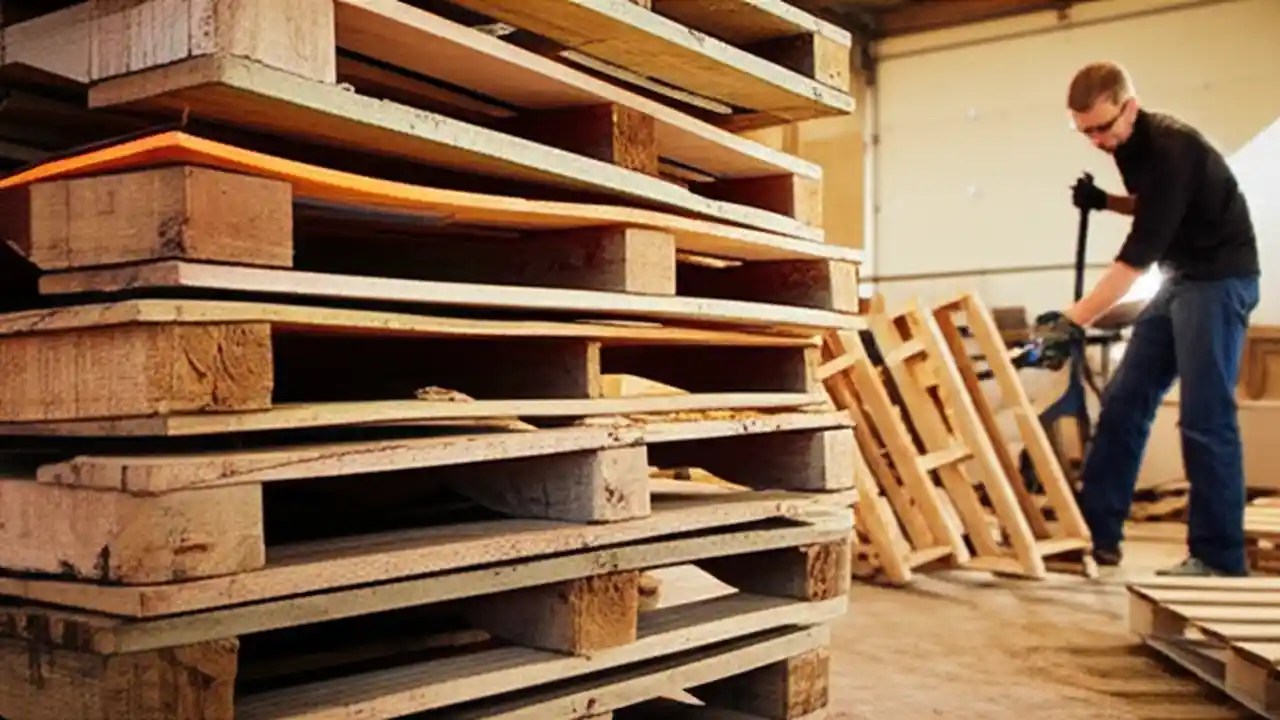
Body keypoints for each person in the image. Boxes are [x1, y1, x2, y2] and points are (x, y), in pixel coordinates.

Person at [1033, 61, 1260, 576]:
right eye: (1085, 132)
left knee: (1205, 417)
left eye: (1102, 127)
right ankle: (1097, 536)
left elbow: (1137, 256)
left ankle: (1219, 558)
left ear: (1130, 107)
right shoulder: (1126, 145)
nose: (1097, 141)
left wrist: (1072, 320)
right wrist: (1105, 202)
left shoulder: (1173, 148)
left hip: (1219, 279)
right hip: (1180, 278)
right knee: (1124, 402)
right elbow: (1154, 205)